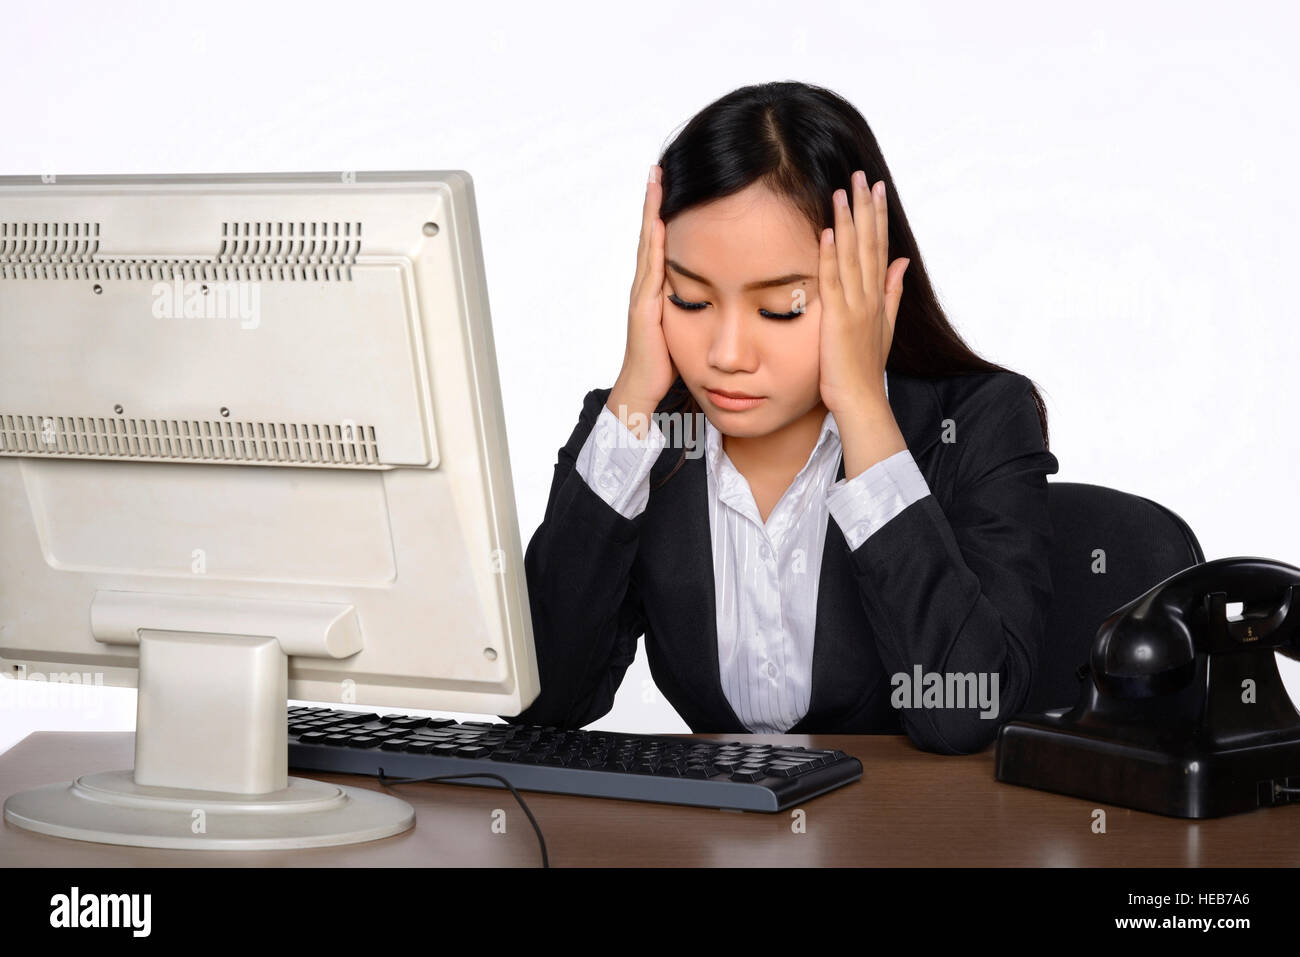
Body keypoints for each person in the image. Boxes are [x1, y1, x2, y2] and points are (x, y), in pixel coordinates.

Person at [504, 80, 1059, 754]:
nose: (727, 355)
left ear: (869, 282)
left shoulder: (978, 422)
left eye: (782, 308)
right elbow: (543, 702)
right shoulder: (640, 431)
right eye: (688, 299)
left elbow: (967, 713)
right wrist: (632, 397)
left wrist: (863, 410)